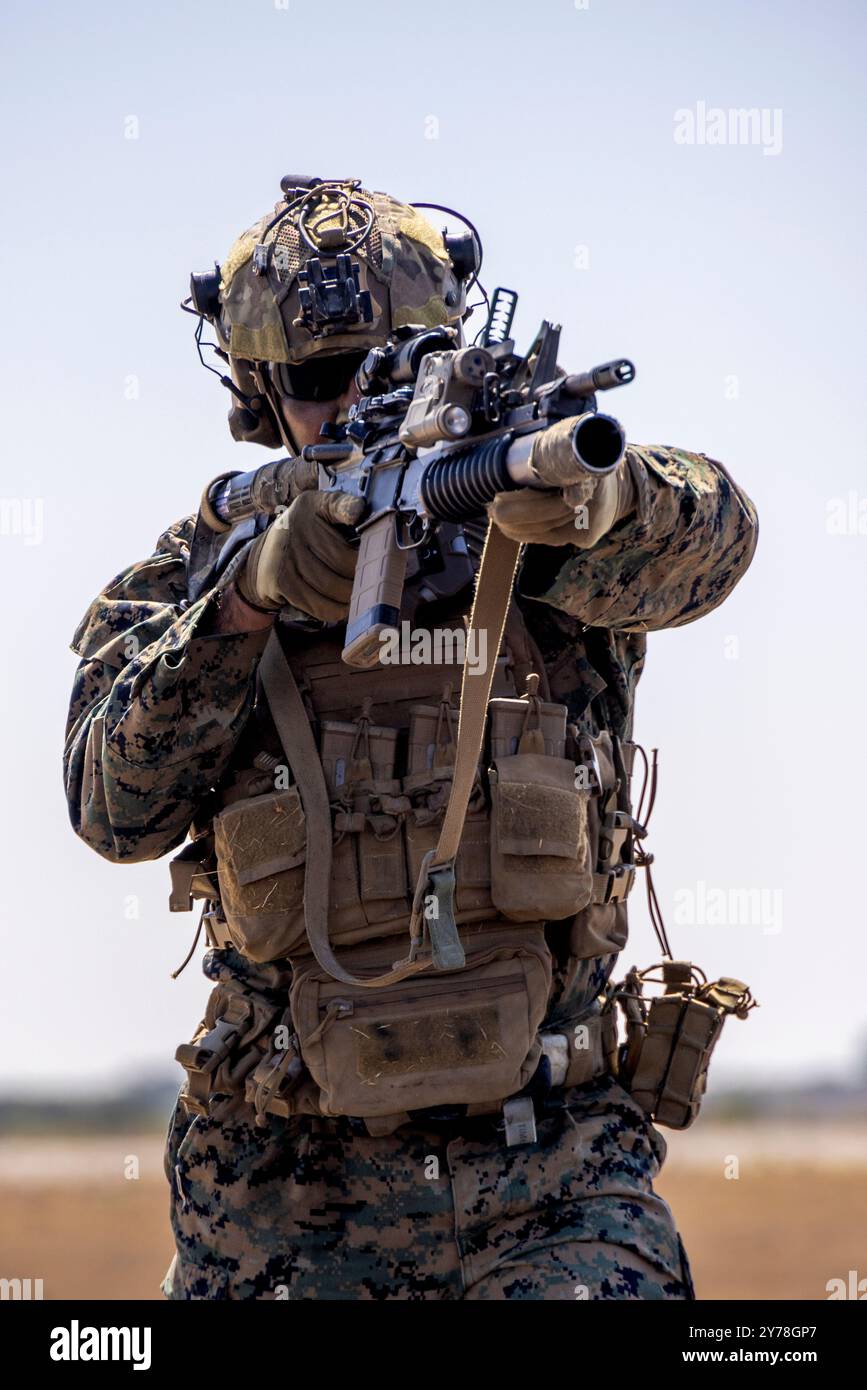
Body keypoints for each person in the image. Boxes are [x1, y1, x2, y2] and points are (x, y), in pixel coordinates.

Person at [64, 176, 758, 1300]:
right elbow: (110, 805)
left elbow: (717, 537)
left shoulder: (543, 522)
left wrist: (603, 500)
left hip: (555, 1172)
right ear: (261, 392)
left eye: (394, 363)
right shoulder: (196, 572)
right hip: (280, 1194)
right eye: (319, 383)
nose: (351, 405)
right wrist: (251, 600)